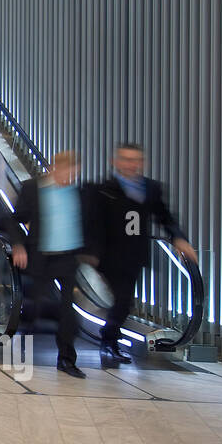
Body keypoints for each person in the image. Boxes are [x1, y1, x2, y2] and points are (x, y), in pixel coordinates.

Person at [89, 142, 197, 366]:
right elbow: (93, 223)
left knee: (125, 301)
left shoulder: (151, 189)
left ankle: (109, 338)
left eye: (135, 160)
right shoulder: (103, 189)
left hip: (134, 256)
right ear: (115, 162)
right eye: (126, 159)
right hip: (109, 257)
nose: (131, 164)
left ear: (142, 163)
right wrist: (92, 253)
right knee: (122, 300)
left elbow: (165, 217)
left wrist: (179, 238)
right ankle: (109, 340)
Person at [4, 150, 93, 378]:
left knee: (67, 311)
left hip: (68, 258)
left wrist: (91, 252)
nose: (69, 178)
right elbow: (14, 220)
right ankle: (19, 345)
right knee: (35, 308)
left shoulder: (81, 193)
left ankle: (66, 360)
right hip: (41, 257)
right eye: (66, 173)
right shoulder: (33, 189)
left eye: (74, 174)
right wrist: (18, 245)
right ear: (53, 169)